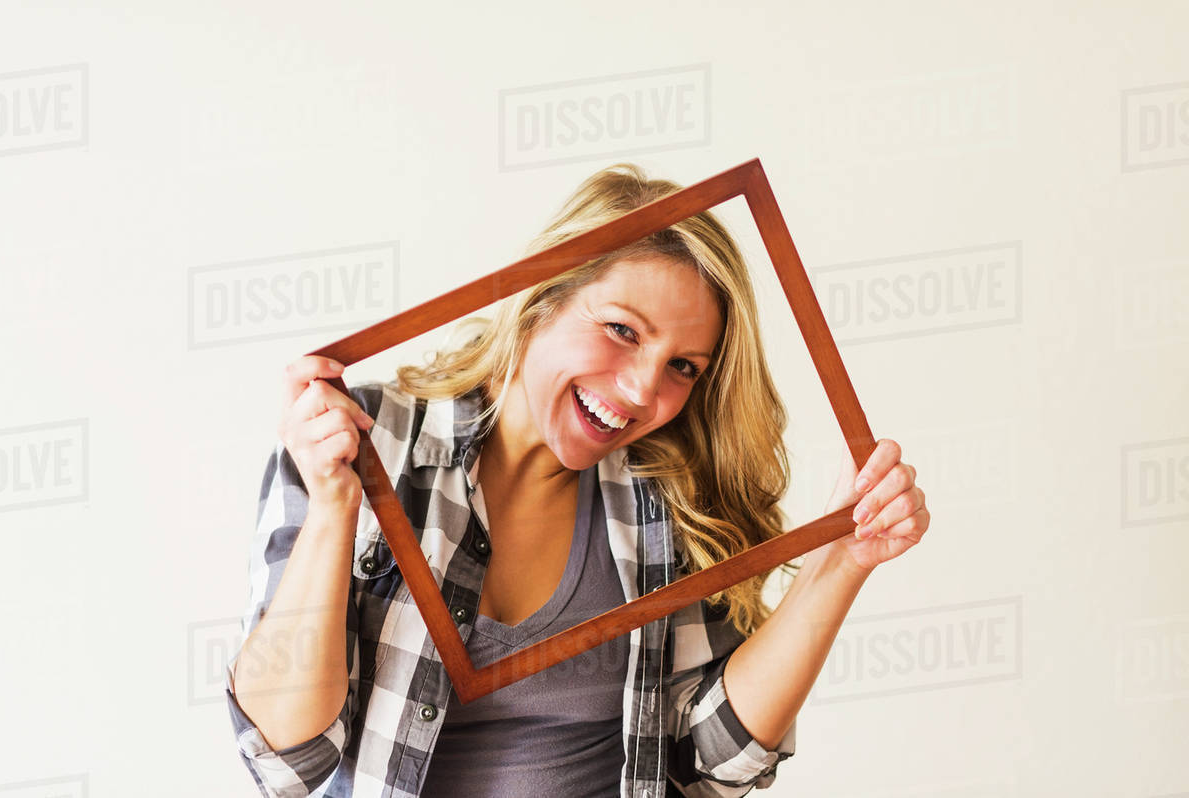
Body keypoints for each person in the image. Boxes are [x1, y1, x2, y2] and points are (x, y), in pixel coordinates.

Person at [224, 163, 931, 798]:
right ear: (541, 297)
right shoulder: (361, 441)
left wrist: (841, 564)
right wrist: (334, 508)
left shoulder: (669, 498)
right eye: (623, 330)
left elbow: (714, 766)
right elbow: (289, 761)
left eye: (683, 366)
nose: (639, 389)